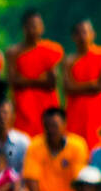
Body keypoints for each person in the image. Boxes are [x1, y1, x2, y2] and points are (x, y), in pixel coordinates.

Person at [22, 104, 89, 191]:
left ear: (64, 125)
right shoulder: (35, 145)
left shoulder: (78, 145)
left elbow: (80, 179)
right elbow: (32, 178)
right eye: (48, 126)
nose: (51, 130)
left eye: (55, 125)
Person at [8, 9, 63, 138]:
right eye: (30, 26)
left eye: (36, 25)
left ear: (42, 28)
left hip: (47, 105)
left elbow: (52, 82)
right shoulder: (13, 52)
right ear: (24, 28)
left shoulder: (51, 49)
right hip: (23, 108)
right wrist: (40, 80)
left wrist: (25, 80)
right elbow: (13, 81)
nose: (33, 29)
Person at [62, 20, 101, 149]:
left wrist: (78, 87)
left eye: (85, 32)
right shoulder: (69, 61)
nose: (82, 37)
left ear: (93, 34)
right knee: (77, 146)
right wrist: (92, 86)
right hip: (76, 114)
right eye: (78, 33)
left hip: (99, 112)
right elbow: (68, 88)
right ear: (73, 37)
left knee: (99, 145)